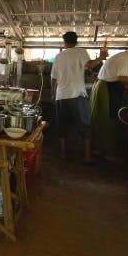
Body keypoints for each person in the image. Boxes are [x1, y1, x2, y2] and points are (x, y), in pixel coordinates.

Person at [50, 31, 107, 163]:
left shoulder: (58, 56)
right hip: (77, 95)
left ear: (64, 42)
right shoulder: (80, 51)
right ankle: (87, 156)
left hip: (61, 96)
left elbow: (54, 78)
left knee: (62, 126)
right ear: (76, 41)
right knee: (85, 126)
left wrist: (53, 94)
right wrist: (101, 57)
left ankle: (63, 154)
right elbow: (89, 65)